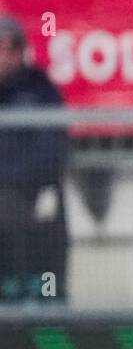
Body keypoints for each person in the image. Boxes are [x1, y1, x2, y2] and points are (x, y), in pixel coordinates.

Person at [0, 16, 69, 304]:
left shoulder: (40, 90)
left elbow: (51, 147)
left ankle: (42, 295)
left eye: (6, 48)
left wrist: (13, 179)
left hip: (29, 189)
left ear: (19, 52)